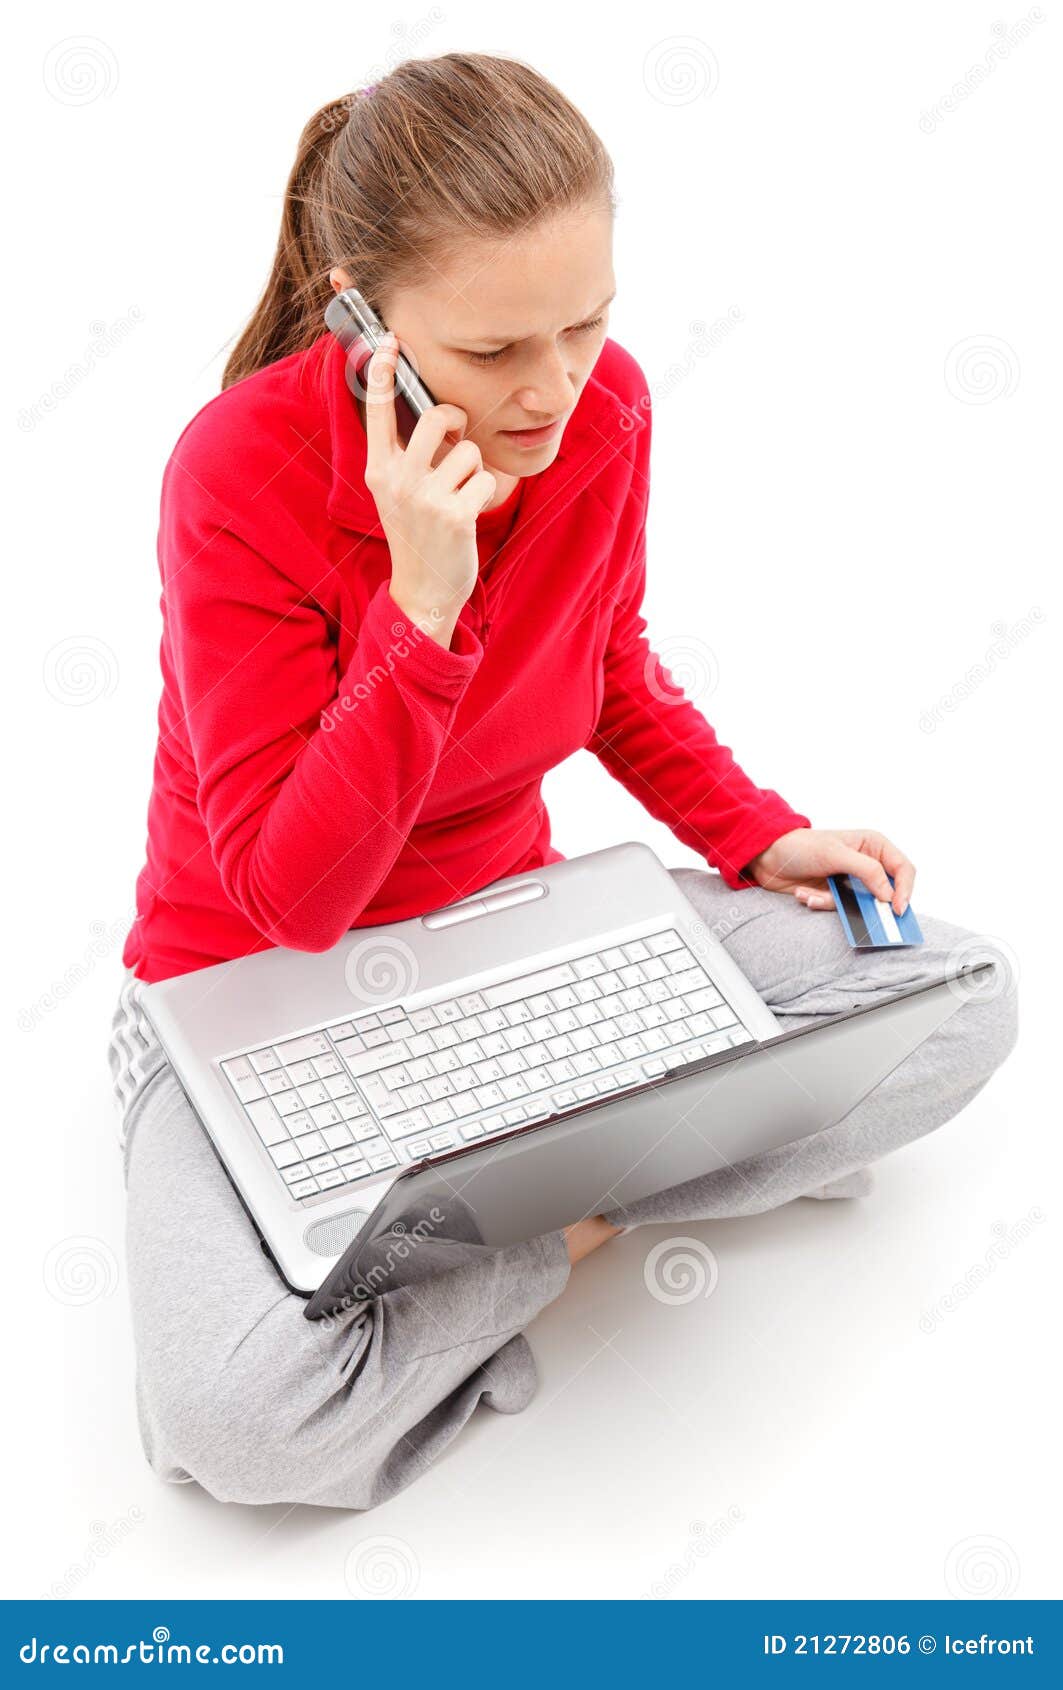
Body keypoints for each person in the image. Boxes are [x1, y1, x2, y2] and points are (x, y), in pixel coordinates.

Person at [109, 53, 1017, 1512]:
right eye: (491, 351)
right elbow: (292, 897)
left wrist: (758, 831)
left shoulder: (606, 417)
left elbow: (606, 667)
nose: (553, 391)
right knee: (233, 1422)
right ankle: (562, 1231)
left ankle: (486, 1220)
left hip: (515, 940)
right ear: (364, 313)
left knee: (959, 996)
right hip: (246, 991)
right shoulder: (236, 472)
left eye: (587, 325)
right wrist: (420, 612)